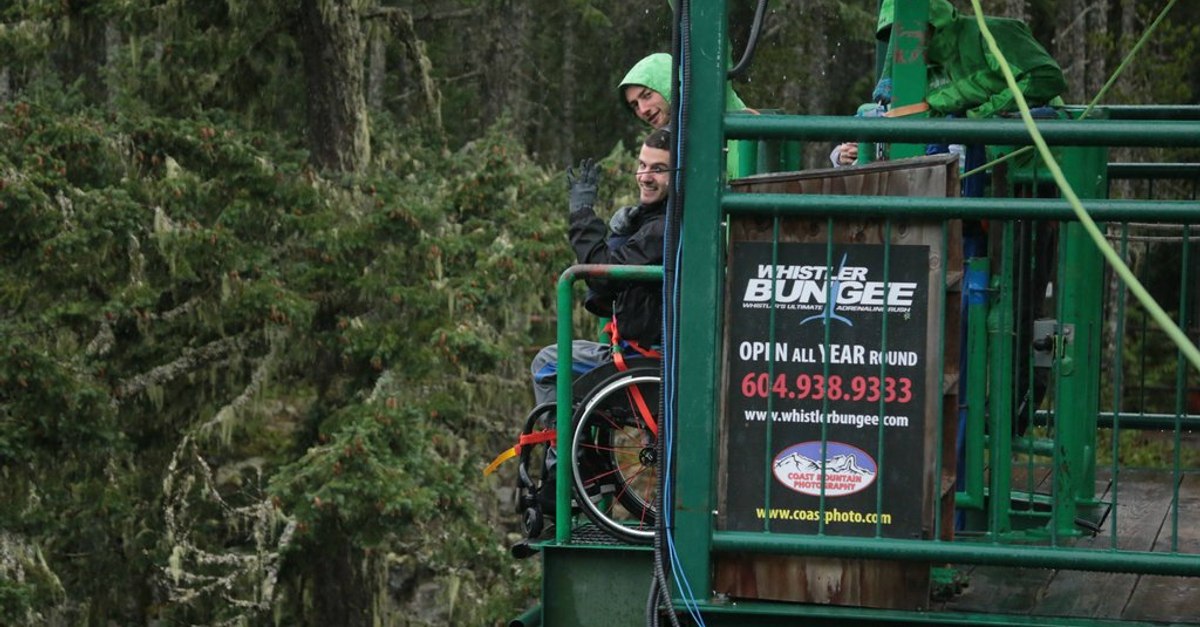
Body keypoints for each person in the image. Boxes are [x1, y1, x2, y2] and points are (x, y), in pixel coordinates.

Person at [529, 128, 672, 406]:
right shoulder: (657, 220)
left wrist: (582, 215)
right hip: (647, 354)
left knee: (547, 363)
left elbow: (603, 278)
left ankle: (561, 450)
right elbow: (608, 296)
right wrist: (624, 232)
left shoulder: (660, 229)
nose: (645, 177)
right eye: (642, 166)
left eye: (658, 169)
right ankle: (580, 446)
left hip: (642, 359)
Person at [872, 0, 1065, 118]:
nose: (904, 42)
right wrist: (854, 148)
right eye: (894, 36)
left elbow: (1044, 77)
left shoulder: (990, 34)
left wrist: (979, 118)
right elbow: (920, 117)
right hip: (973, 164)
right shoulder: (919, 71)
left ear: (932, 23)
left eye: (908, 32)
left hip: (1034, 158)